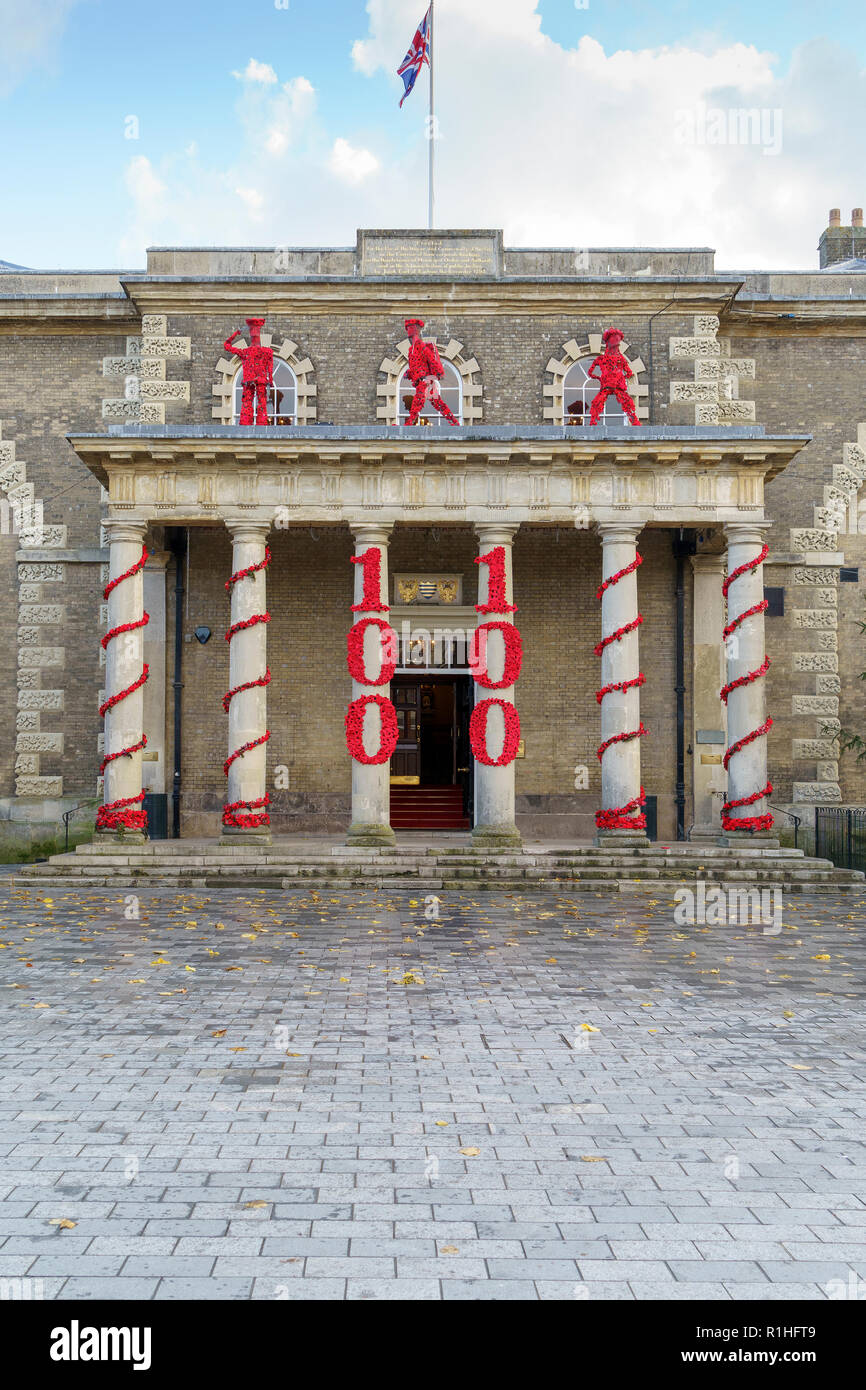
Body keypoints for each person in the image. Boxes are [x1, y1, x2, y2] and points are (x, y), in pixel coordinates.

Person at [402, 318, 460, 427]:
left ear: (415, 329)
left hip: (425, 381)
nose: (407, 330)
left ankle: (408, 425)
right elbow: (415, 366)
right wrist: (408, 373)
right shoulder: (411, 350)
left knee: (417, 402)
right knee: (438, 404)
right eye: (407, 328)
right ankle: (455, 423)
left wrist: (435, 375)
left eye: (409, 328)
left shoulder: (420, 345)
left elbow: (431, 359)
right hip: (422, 381)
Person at [224, 317, 274, 426]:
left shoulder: (246, 352)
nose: (254, 335)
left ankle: (252, 423)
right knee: (256, 402)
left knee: (252, 402)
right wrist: (270, 381)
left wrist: (236, 334)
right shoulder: (265, 352)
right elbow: (270, 368)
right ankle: (256, 423)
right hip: (254, 380)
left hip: (252, 380)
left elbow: (227, 345)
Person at [588, 327, 641, 427]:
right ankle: (593, 422)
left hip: (616, 386)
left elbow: (629, 373)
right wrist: (600, 378)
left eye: (617, 339)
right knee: (597, 404)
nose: (617, 341)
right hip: (607, 386)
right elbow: (590, 372)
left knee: (628, 404)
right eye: (614, 338)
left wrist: (619, 377)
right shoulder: (602, 359)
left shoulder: (620, 359)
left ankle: (634, 422)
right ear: (608, 341)